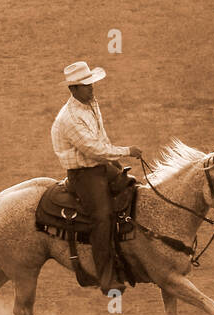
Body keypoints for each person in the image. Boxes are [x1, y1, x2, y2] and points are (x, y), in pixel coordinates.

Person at [50, 61, 143, 294]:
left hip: (101, 165)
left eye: (91, 83)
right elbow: (93, 149)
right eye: (86, 85)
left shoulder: (91, 103)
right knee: (102, 217)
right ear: (73, 89)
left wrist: (116, 164)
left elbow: (102, 139)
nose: (92, 88)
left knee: (133, 188)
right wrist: (126, 151)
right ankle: (106, 276)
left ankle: (133, 252)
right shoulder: (69, 118)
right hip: (84, 175)